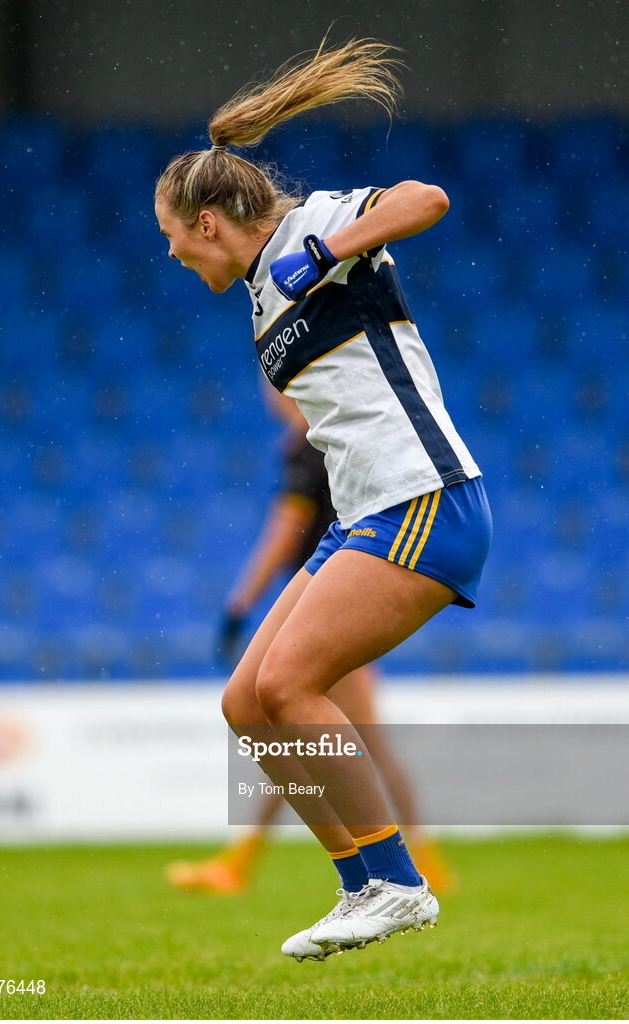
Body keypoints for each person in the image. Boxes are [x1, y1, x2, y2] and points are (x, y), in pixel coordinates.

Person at [154, 37, 492, 961]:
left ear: (211, 220)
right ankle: (361, 886)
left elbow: (427, 199)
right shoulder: (259, 294)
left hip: (424, 496)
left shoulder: (312, 227)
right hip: (363, 514)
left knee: (291, 686)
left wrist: (332, 248)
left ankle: (397, 883)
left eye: (174, 239)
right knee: (245, 703)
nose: (174, 256)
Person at [165, 385, 457, 895]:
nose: (270, 396)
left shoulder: (308, 445)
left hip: (327, 604)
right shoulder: (319, 444)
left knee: (321, 736)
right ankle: (418, 860)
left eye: (276, 386)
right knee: (318, 740)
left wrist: (240, 603)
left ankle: (404, 864)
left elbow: (289, 525)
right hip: (336, 598)